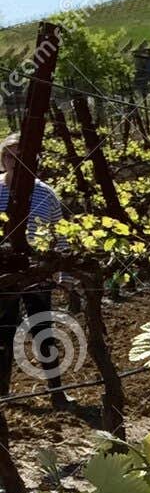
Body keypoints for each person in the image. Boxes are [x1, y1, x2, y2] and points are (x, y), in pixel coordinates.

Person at [0, 133, 67, 405]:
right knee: (3, 332)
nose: (15, 162)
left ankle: (57, 392)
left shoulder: (46, 192)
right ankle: (2, 394)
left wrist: (63, 271)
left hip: (37, 271)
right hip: (2, 274)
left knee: (43, 331)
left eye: (21, 157)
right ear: (3, 159)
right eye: (9, 156)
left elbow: (59, 232)